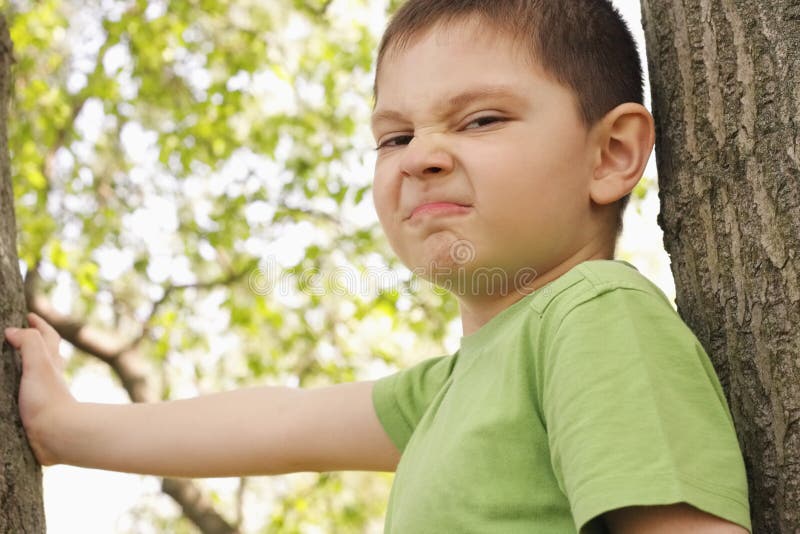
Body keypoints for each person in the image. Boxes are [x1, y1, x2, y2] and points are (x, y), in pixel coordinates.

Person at [4, 1, 751, 532]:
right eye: (393, 137)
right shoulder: (452, 391)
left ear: (611, 153)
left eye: (481, 119)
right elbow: (276, 421)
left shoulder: (594, 315)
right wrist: (66, 429)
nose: (422, 157)